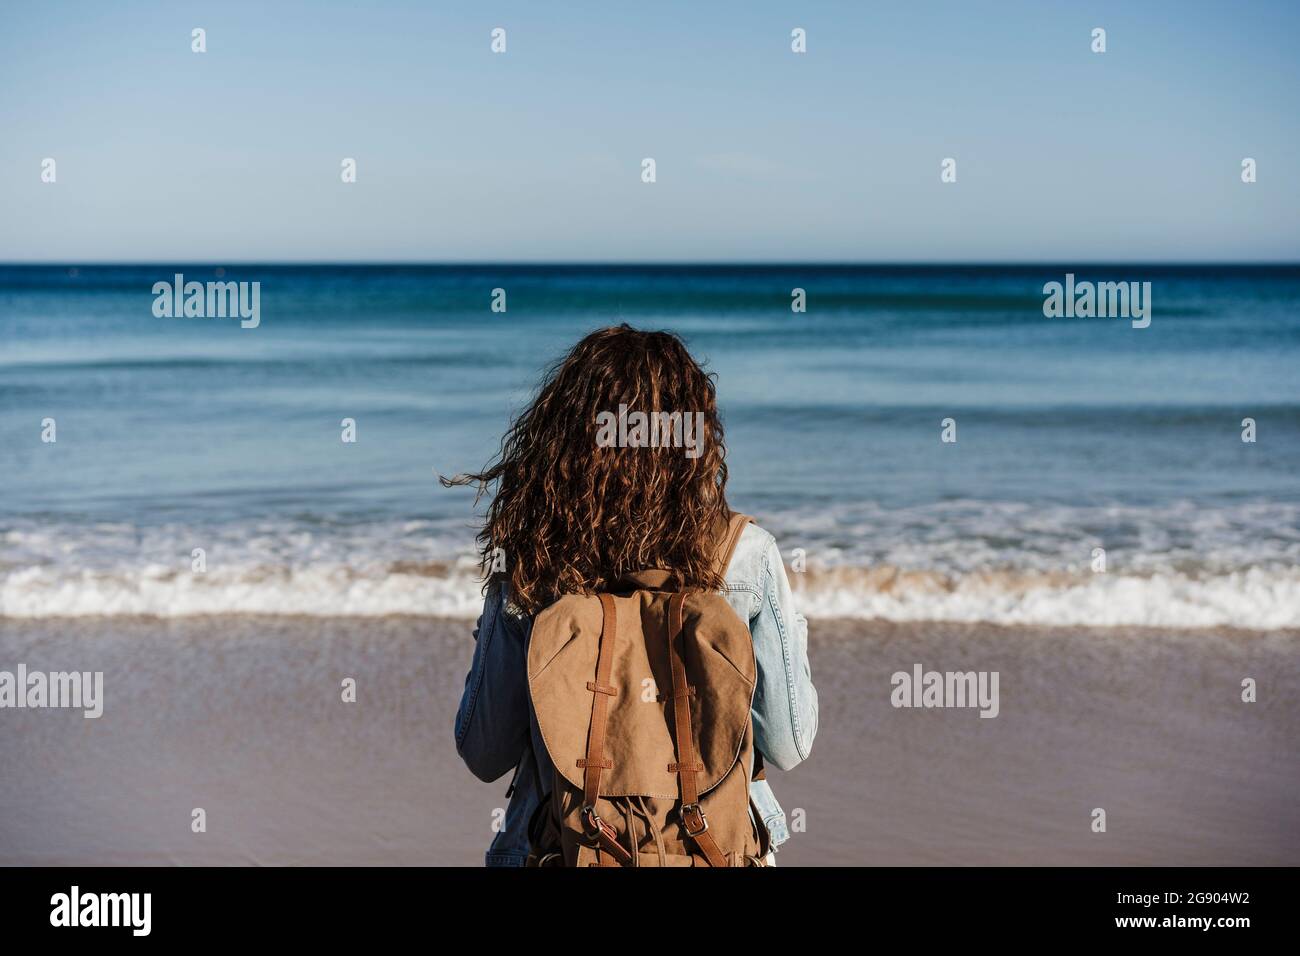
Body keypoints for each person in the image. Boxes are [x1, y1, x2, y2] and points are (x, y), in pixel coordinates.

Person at [446, 324, 817, 866]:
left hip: (557, 848)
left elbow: (485, 751)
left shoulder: (532, 557)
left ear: (564, 435)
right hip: (712, 848)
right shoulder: (745, 554)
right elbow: (788, 742)